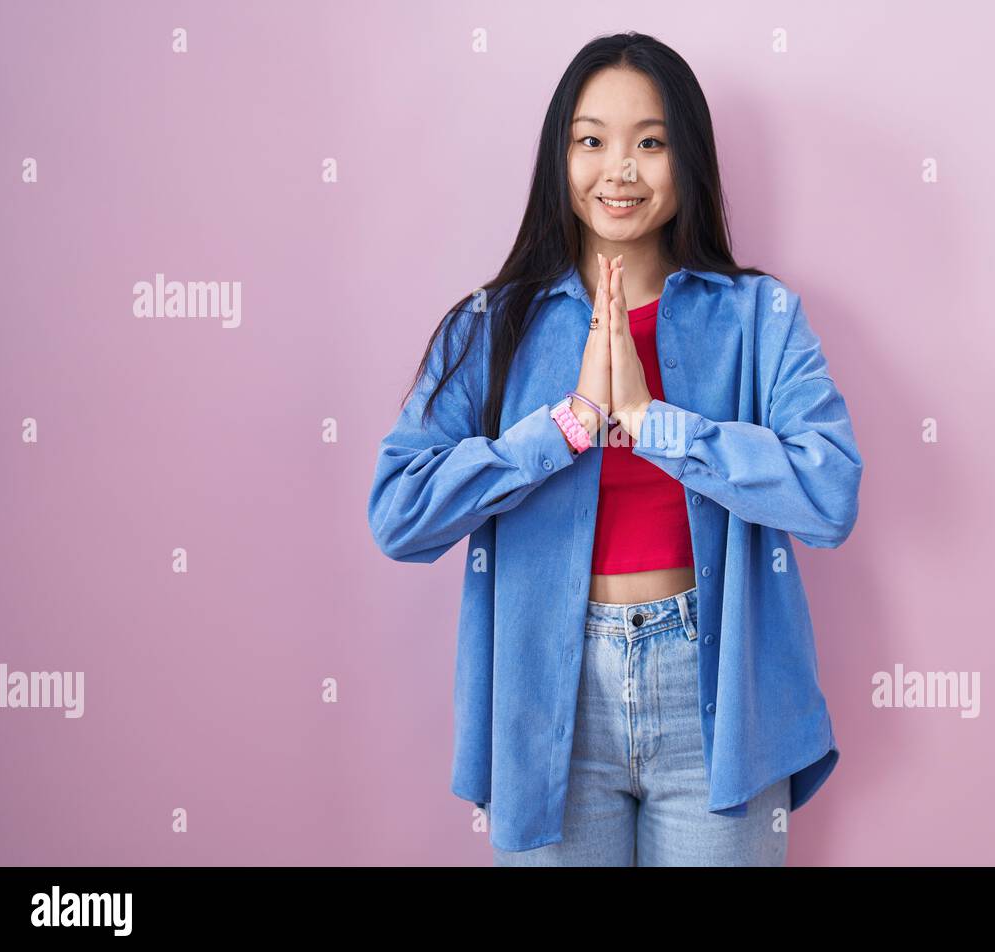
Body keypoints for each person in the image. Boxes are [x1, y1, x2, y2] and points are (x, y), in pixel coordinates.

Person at [367, 31, 864, 866]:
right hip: (548, 701)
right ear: (559, 158)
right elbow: (399, 514)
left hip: (717, 698)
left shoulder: (759, 317)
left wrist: (653, 420)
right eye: (591, 141)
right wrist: (565, 428)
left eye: (651, 142)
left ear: (689, 158)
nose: (620, 170)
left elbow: (828, 495)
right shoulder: (492, 326)